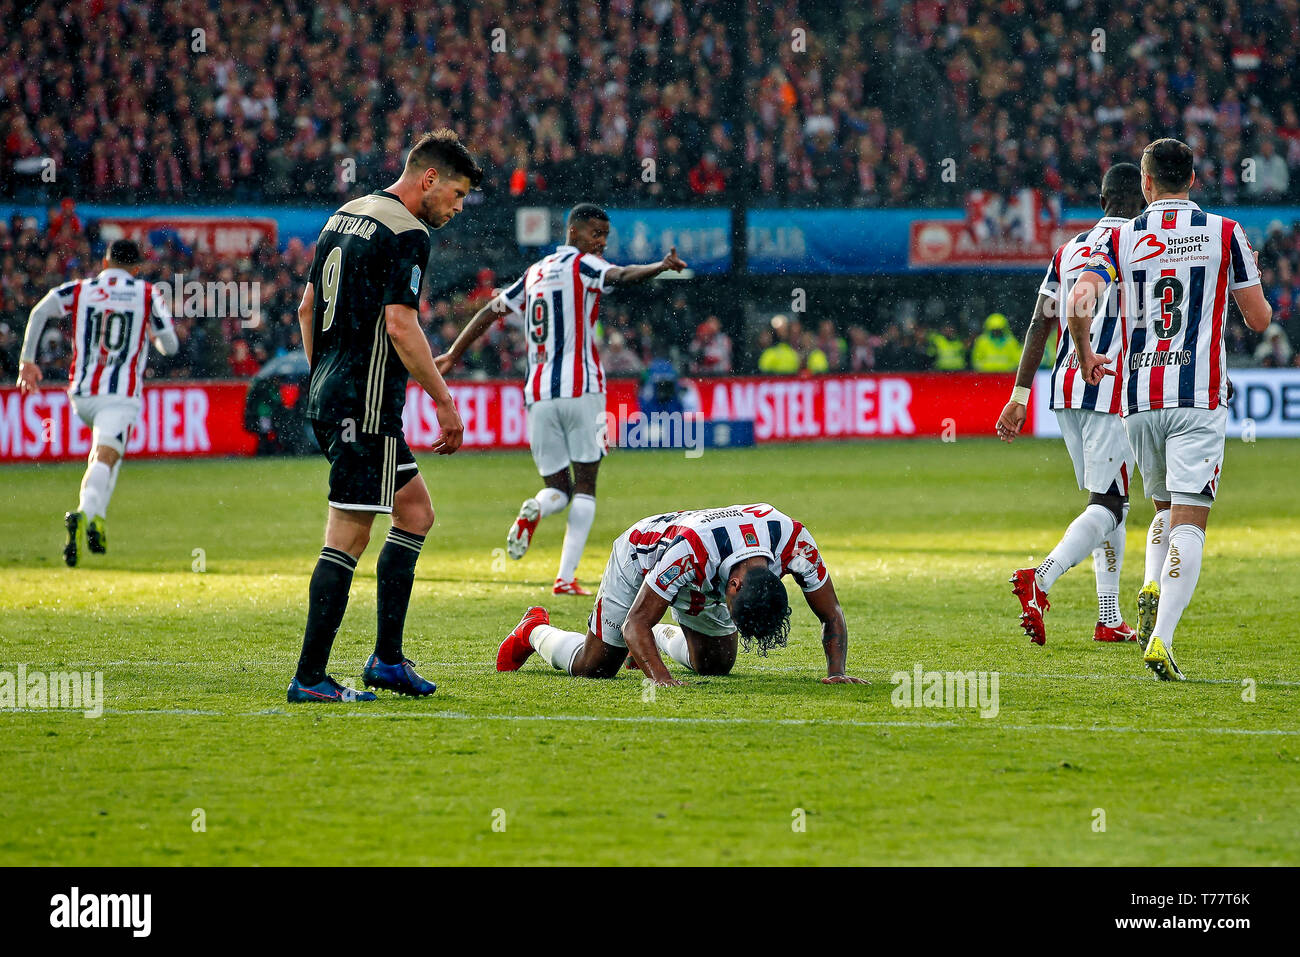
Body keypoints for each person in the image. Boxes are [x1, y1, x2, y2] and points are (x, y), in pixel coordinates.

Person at [287, 129, 480, 704]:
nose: (459, 205)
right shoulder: (408, 231)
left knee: (415, 512)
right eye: (458, 192)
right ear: (429, 179)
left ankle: (387, 661)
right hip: (365, 407)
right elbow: (401, 325)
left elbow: (305, 307)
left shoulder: (346, 213)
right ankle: (310, 677)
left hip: (334, 392)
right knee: (348, 534)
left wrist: (325, 376)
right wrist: (444, 400)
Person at [1068, 138, 1272, 680]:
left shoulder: (1121, 236)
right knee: (1190, 520)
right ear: (1194, 180)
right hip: (1198, 398)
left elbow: (1079, 300)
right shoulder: (1225, 232)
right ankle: (1161, 639)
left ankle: (1152, 580)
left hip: (1138, 401)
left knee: (1162, 510)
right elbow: (1258, 319)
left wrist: (1087, 353)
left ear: (1146, 183)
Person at [436, 204, 686, 596]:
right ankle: (565, 577)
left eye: (605, 236)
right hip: (582, 389)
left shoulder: (534, 273)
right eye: (595, 234)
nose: (601, 243)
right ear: (574, 232)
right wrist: (659, 266)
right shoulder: (584, 266)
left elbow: (491, 309)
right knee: (586, 485)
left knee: (557, 489)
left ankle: (536, 507)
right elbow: (621, 276)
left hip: (538, 393)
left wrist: (454, 352)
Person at [997, 162, 1145, 645]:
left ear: (1101, 200)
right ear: (1142, 197)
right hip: (1110, 381)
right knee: (1110, 502)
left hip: (1065, 389)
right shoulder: (1144, 243)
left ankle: (1109, 616)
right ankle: (1041, 578)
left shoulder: (1068, 250)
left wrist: (1019, 395)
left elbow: (1040, 323)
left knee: (1107, 500)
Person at [494, 504, 868, 687]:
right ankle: (534, 630)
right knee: (596, 667)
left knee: (716, 665)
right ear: (734, 588)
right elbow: (635, 622)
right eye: (735, 614)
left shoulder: (796, 543)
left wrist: (837, 673)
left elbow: (831, 613)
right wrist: (662, 678)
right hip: (642, 559)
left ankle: (654, 641)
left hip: (706, 574)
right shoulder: (692, 551)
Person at [16, 239, 179, 566]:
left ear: (105, 264)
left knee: (107, 454)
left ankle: (98, 519)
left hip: (82, 392)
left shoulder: (81, 289)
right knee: (105, 458)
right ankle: (84, 513)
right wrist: (153, 336)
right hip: (119, 395)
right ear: (136, 269)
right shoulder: (146, 293)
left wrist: (27, 362)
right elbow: (171, 346)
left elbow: (39, 312)